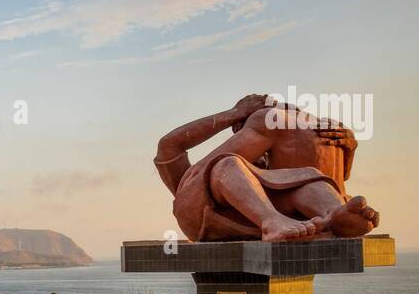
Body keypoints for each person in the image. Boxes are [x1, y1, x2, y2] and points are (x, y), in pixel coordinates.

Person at [153, 94, 380, 243]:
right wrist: (235, 114)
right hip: (212, 220)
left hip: (290, 218)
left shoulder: (271, 177)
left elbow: (342, 177)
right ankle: (271, 222)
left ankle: (333, 215)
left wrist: (348, 146)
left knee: (307, 180)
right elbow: (168, 146)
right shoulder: (196, 183)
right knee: (227, 165)